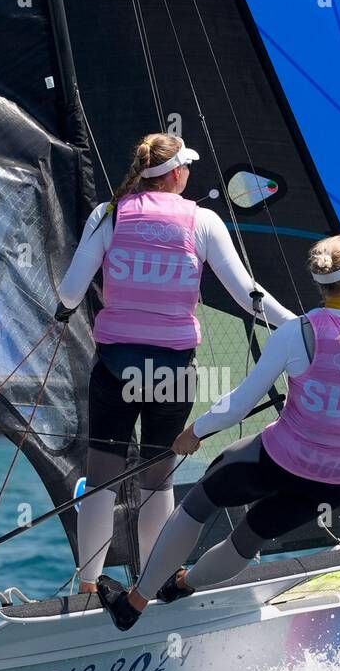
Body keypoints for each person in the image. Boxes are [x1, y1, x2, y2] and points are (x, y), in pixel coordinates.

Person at [98, 150, 340, 630]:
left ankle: (136, 603)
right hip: (334, 484)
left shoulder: (298, 332)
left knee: (202, 499)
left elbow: (242, 402)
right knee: (248, 541)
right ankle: (182, 585)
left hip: (277, 460)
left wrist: (196, 431)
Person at [55, 133, 294, 597]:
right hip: (172, 371)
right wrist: (300, 326)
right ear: (178, 173)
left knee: (102, 476)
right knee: (156, 474)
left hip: (116, 368)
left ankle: (88, 586)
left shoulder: (108, 214)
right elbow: (249, 296)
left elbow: (69, 293)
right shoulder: (202, 221)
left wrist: (65, 311)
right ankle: (154, 582)